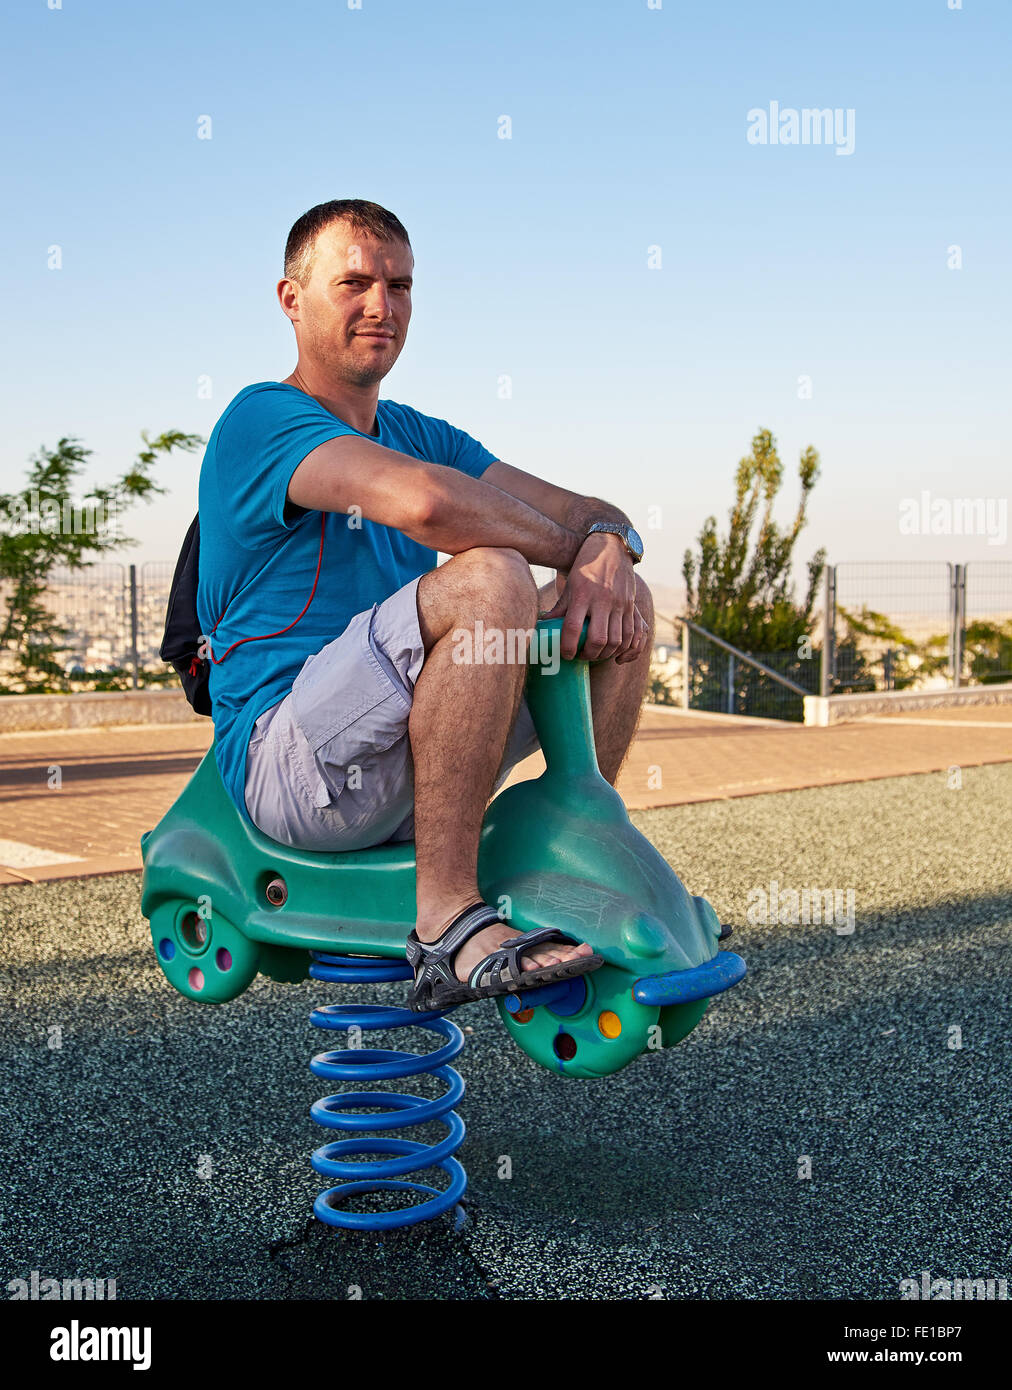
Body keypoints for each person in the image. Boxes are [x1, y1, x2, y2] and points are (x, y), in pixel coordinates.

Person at [196, 199, 654, 1012]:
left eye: (401, 285)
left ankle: (578, 847)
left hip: (415, 746)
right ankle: (445, 923)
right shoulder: (260, 419)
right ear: (290, 298)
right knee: (492, 578)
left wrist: (611, 548)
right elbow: (426, 506)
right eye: (355, 282)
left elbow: (583, 511)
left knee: (624, 605)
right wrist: (575, 551)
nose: (383, 305)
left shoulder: (420, 429)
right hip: (292, 763)